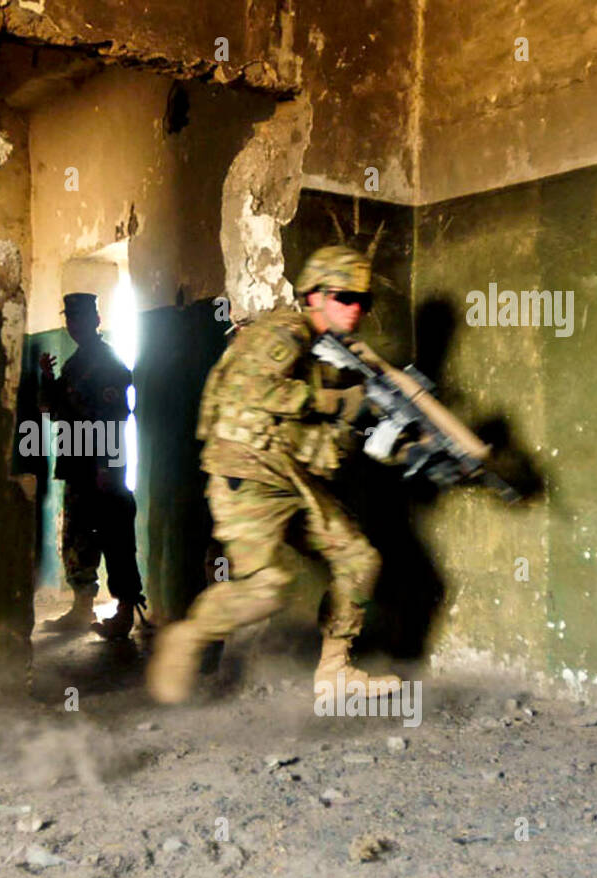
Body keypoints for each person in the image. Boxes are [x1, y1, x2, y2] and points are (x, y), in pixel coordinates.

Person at [146, 245, 404, 704]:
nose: (356, 308)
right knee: (267, 588)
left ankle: (334, 673)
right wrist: (329, 402)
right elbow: (252, 388)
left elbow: (316, 428)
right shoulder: (284, 331)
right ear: (315, 295)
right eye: (345, 296)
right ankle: (189, 636)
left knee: (360, 559)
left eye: (363, 300)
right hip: (246, 475)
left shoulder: (326, 351)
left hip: (290, 478)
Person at [38, 292, 145, 639]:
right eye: (70, 319)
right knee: (78, 539)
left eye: (81, 319)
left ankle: (125, 612)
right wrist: (47, 377)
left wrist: (105, 469)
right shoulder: (76, 362)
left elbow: (114, 419)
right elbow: (53, 409)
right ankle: (82, 608)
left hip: (102, 470)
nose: (74, 325)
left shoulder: (107, 363)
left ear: (96, 321)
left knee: (115, 538)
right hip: (77, 466)